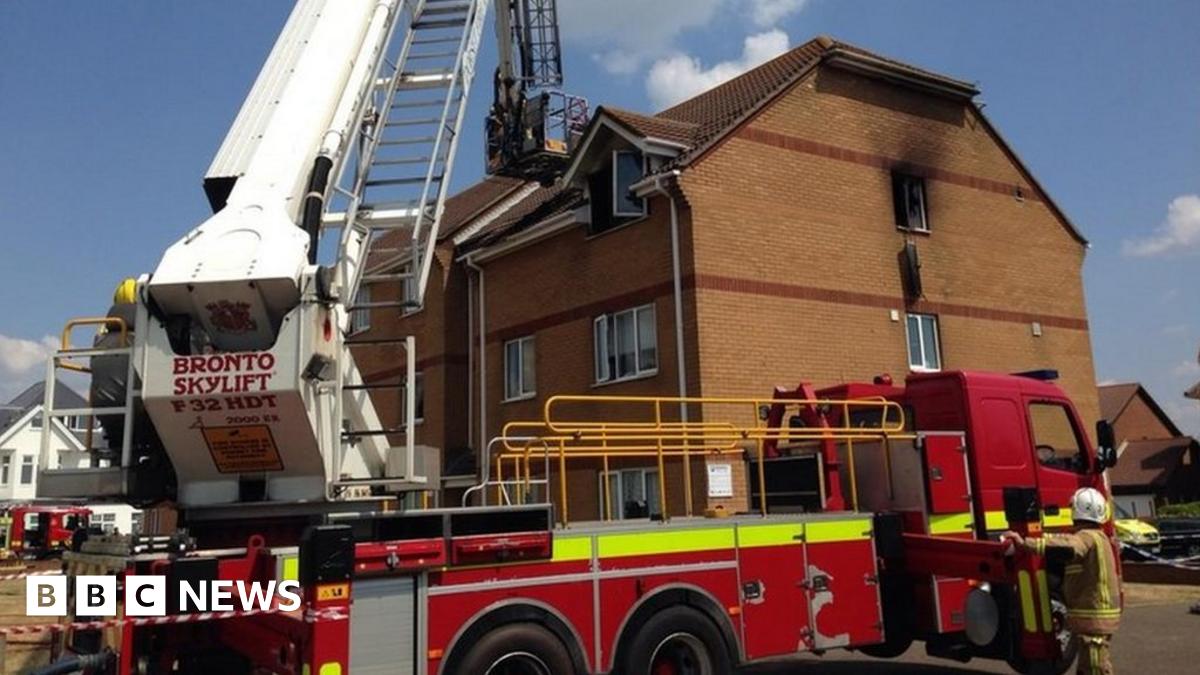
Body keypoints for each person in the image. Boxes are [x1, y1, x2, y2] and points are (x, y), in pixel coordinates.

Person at [1001, 487, 1121, 675]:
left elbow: (1068, 547)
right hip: (1097, 613)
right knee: (1086, 666)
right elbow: (1064, 540)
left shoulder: (1087, 537)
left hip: (1094, 613)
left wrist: (1025, 544)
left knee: (1095, 664)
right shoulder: (1097, 537)